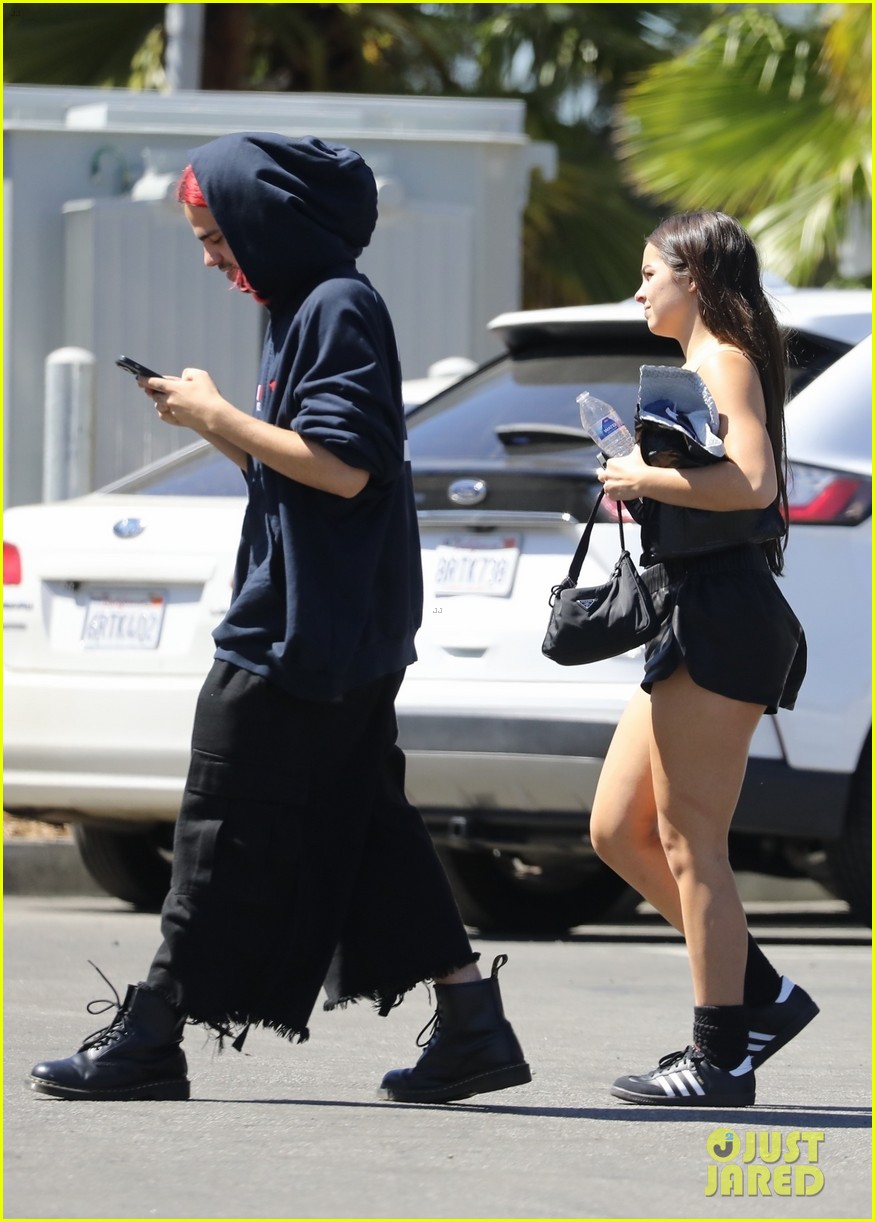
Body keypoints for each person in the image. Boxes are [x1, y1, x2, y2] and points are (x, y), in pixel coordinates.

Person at [29, 132, 530, 1106]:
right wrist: (212, 421)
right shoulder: (302, 308)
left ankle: (153, 1030)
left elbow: (344, 467)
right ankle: (471, 1023)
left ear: (266, 220)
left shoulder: (336, 307)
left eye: (218, 239)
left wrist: (215, 413)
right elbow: (300, 471)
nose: (213, 262)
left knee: (217, 812)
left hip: (309, 629)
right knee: (370, 827)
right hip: (332, 621)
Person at [589, 211, 816, 1107]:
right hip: (691, 611)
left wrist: (640, 479)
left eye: (651, 273)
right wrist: (642, 485)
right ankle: (758, 994)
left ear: (694, 276)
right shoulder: (694, 368)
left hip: (723, 618)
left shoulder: (721, 360)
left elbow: (754, 484)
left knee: (691, 843)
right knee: (617, 831)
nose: (639, 289)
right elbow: (712, 491)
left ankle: (719, 1055)